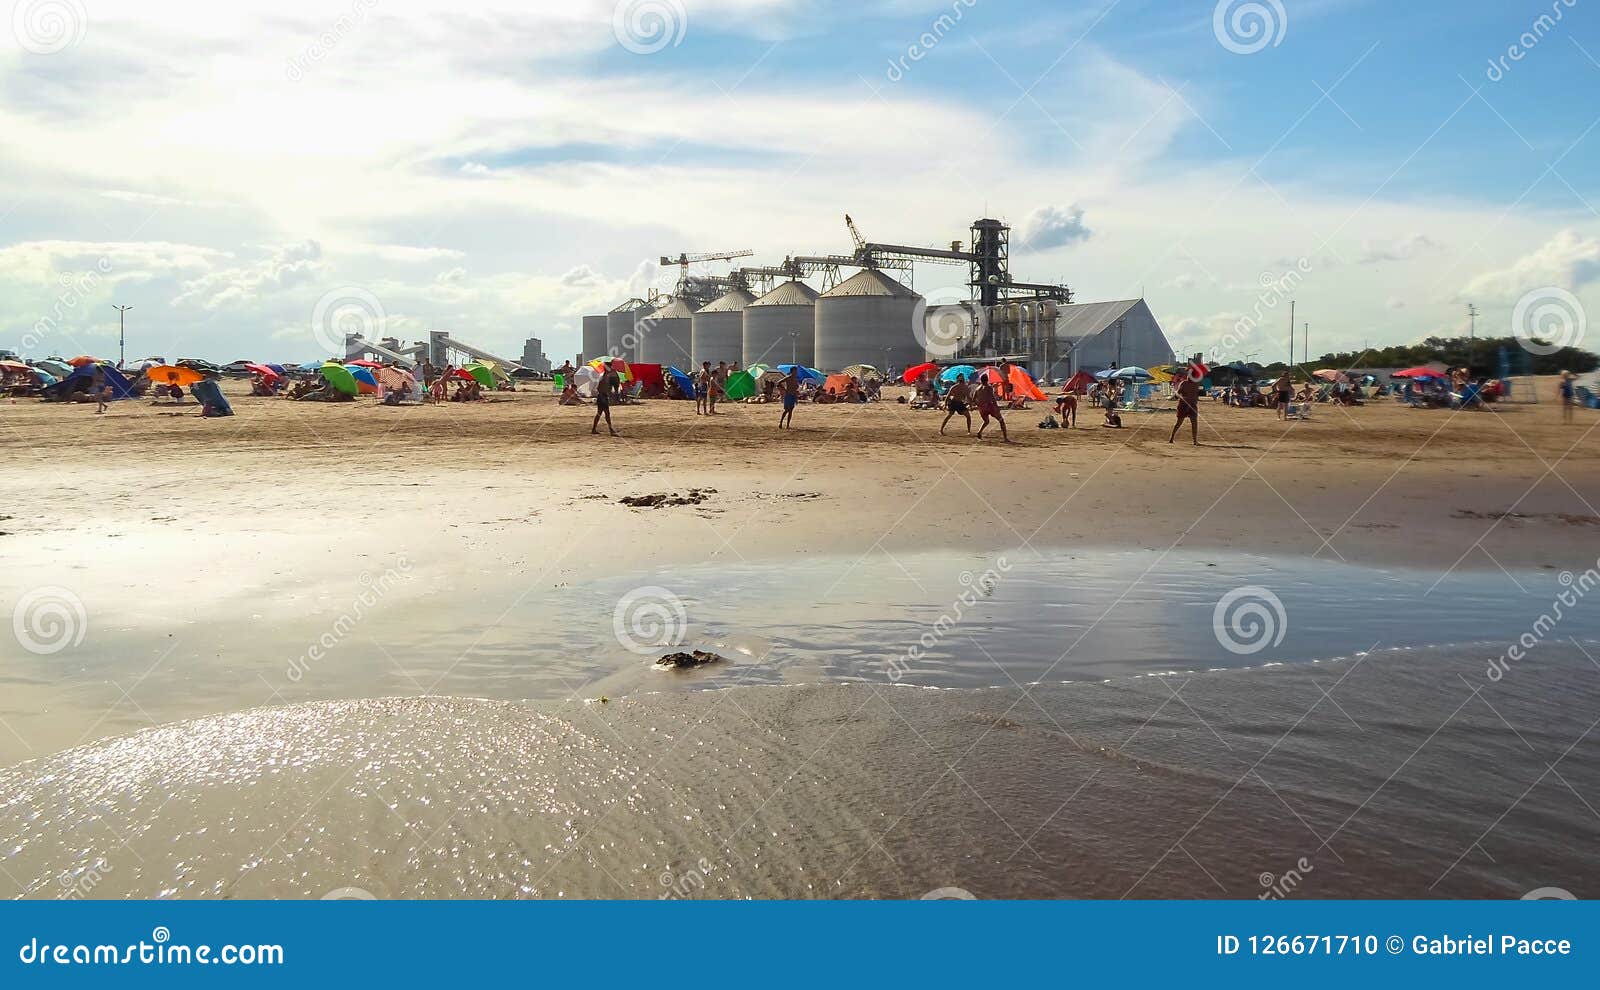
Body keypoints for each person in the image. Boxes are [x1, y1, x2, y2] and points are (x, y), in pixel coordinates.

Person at [974, 377, 1009, 442]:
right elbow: (992, 398)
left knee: (986, 421)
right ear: (987, 380)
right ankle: (1005, 438)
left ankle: (979, 432)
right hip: (989, 406)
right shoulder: (988, 387)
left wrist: (978, 405)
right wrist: (996, 406)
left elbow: (973, 399)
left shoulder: (977, 388)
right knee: (1001, 420)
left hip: (982, 408)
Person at [1169, 373, 1200, 446]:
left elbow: (1195, 395)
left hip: (1192, 405)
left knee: (1194, 423)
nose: (1189, 378)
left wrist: (1194, 401)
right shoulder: (1184, 383)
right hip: (1183, 404)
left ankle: (1195, 440)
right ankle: (1171, 438)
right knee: (1179, 422)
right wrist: (1181, 397)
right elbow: (1177, 394)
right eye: (1189, 377)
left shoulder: (1196, 385)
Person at [591, 363, 619, 436]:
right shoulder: (603, 377)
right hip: (602, 396)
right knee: (606, 414)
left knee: (600, 413)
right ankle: (611, 430)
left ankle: (594, 429)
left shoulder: (605, 377)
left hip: (602, 396)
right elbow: (600, 388)